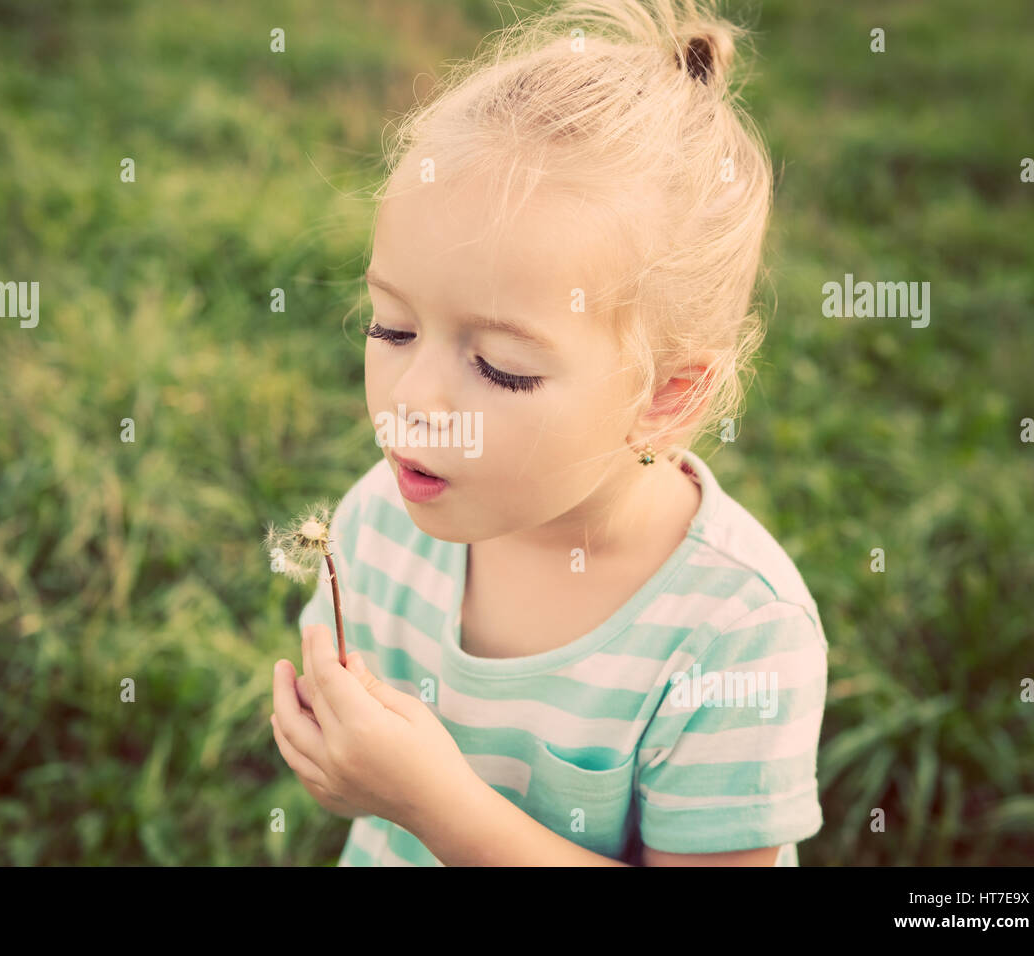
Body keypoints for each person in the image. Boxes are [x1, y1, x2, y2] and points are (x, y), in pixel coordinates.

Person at [270, 0, 827, 867]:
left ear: (666, 398)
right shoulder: (377, 524)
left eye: (500, 368)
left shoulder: (735, 632)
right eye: (391, 327)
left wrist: (435, 805)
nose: (413, 400)